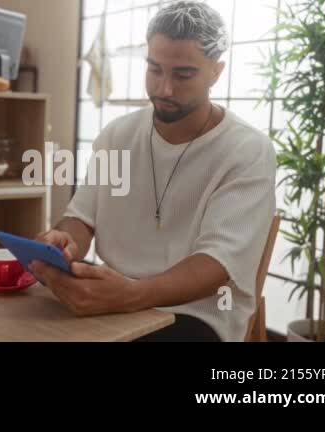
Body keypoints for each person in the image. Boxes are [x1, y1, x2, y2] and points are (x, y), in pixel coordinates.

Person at [29, 1, 277, 342]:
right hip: (110, 300)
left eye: (183, 74)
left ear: (216, 72)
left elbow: (217, 264)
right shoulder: (116, 136)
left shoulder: (247, 151)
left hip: (194, 313)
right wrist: (66, 243)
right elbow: (82, 218)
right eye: (154, 69)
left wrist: (132, 294)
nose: (164, 89)